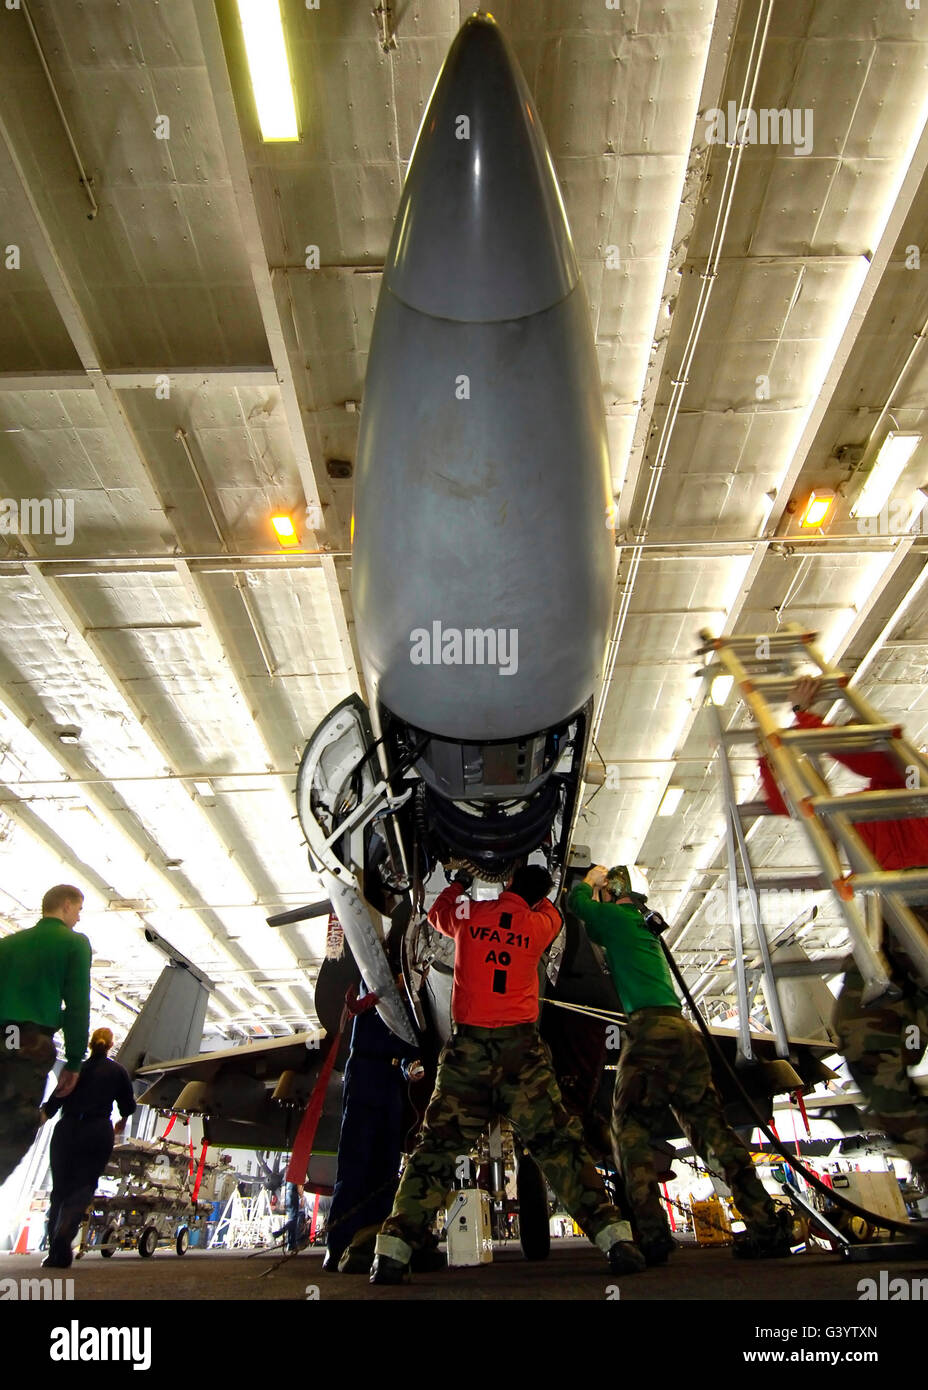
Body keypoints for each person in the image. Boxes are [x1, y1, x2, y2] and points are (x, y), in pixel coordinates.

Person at [370, 863, 645, 1284]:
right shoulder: (540, 925)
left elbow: (438, 911)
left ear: (510, 883)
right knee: (559, 1145)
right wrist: (585, 882)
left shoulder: (471, 917)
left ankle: (391, 1253)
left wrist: (459, 880)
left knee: (437, 1148)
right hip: (522, 1054)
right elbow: (560, 911)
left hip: (469, 1052)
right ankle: (615, 1240)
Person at [568, 864, 792, 1263]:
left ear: (616, 890)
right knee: (713, 1134)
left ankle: (653, 1238)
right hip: (684, 1034)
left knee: (629, 1134)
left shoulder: (618, 917)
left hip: (650, 1031)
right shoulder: (639, 924)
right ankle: (766, 1227)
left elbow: (577, 904)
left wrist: (590, 880)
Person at [759, 675, 928, 1188]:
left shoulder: (912, 777)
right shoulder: (860, 818)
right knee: (860, 1037)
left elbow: (876, 757)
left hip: (914, 914)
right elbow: (786, 803)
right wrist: (775, 748)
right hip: (893, 933)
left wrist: (804, 720)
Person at [323, 986, 427, 1273]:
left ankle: (371, 1246)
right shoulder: (372, 980)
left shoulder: (409, 992)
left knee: (386, 1166)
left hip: (392, 1080)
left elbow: (407, 1035)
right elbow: (368, 1002)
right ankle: (338, 1247)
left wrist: (411, 1065)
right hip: (365, 1071)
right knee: (355, 1162)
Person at [0, 885, 90, 1186]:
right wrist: (75, 1060)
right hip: (29, 1041)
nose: (78, 918)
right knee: (14, 1126)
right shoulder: (73, 943)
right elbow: (77, 1003)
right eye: (78, 910)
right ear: (66, 906)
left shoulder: (9, 944)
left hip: (7, 1035)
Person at [41, 1025, 135, 1268]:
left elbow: (56, 1099)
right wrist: (122, 1121)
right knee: (83, 1187)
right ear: (110, 1045)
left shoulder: (76, 1068)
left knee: (59, 1191)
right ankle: (65, 1229)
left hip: (67, 1129)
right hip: (97, 1130)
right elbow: (127, 1106)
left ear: (91, 1044)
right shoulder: (117, 1071)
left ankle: (56, 1254)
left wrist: (41, 1117)